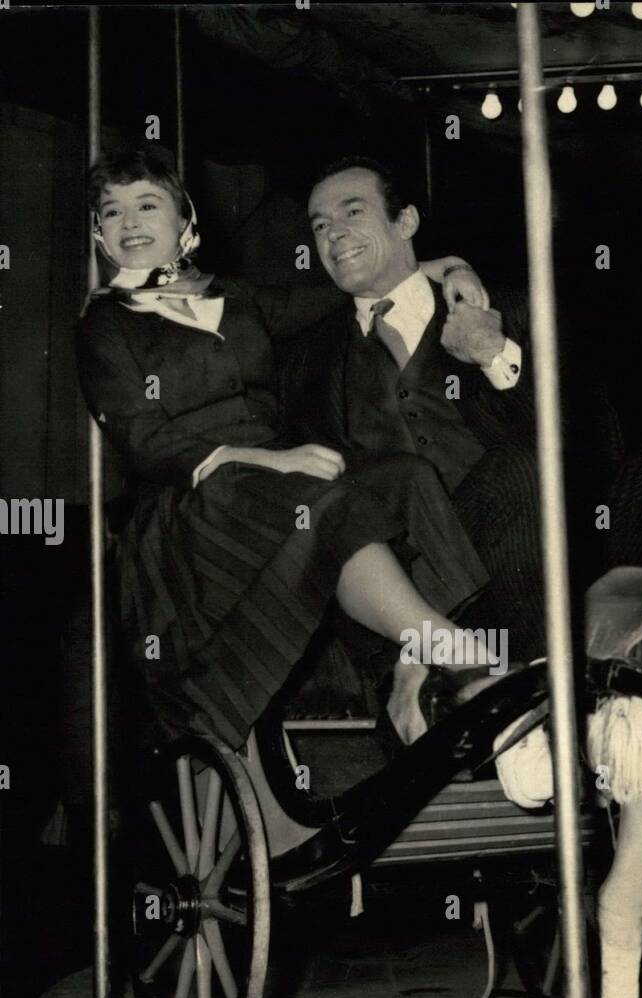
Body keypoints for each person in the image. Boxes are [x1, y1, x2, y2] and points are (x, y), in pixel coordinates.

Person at [75, 148, 509, 756]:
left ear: (184, 220)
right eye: (111, 212)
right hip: (197, 506)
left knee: (405, 475)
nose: (130, 223)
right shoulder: (105, 325)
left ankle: (409, 665)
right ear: (100, 233)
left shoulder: (235, 297)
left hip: (279, 484)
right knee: (323, 499)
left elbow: (350, 288)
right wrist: (269, 460)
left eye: (147, 205)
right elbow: (147, 442)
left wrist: (449, 267)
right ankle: (460, 654)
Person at [279, 157, 544, 736]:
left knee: (523, 468)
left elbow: (578, 442)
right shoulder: (305, 357)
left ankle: (501, 683)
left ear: (406, 221)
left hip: (519, 559)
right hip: (400, 583)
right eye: (320, 226)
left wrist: (494, 355)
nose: (334, 234)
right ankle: (424, 661)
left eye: (353, 212)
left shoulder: (508, 310)